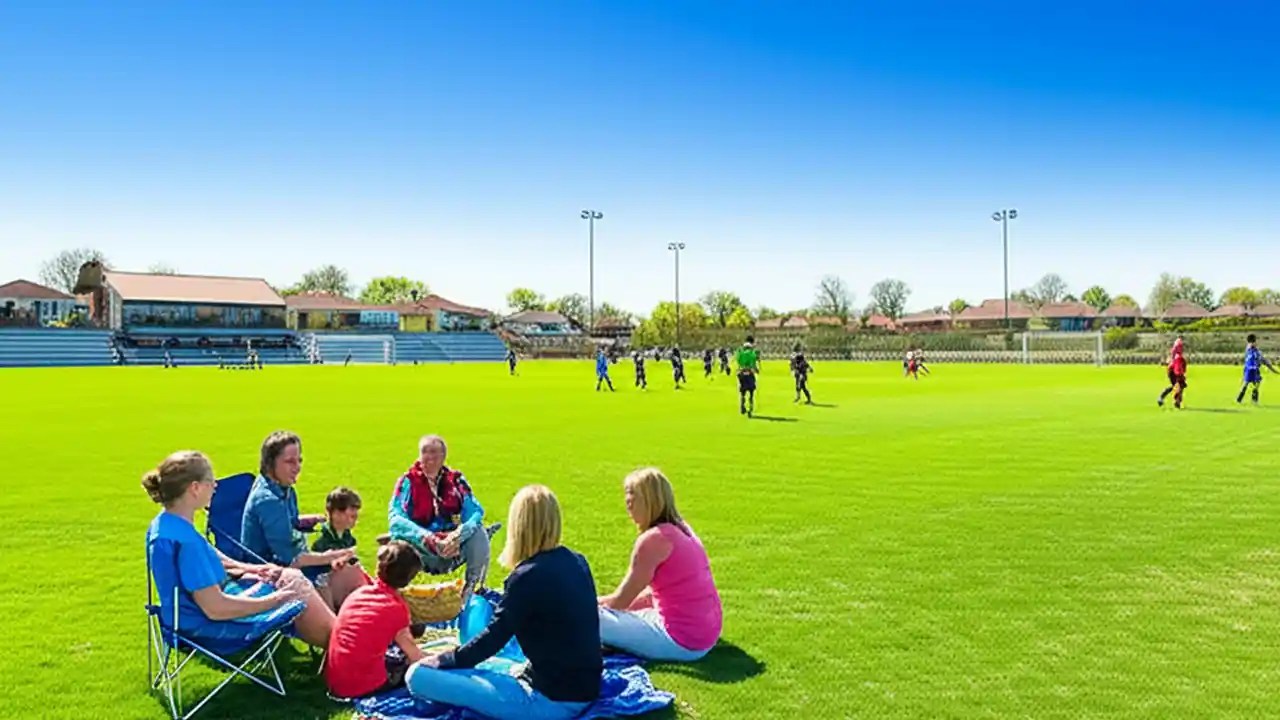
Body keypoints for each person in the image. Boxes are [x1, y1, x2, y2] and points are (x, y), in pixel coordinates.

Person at [406, 485, 601, 720]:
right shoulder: (577, 561)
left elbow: (491, 640)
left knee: (416, 675)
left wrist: (444, 659)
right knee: (494, 664)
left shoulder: (527, 577)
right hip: (585, 688)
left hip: (548, 703)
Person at [143, 450, 334, 648]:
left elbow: (211, 554)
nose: (215, 485)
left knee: (288, 577)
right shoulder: (188, 544)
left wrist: (252, 569)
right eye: (211, 480)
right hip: (208, 628)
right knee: (296, 585)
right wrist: (276, 599)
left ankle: (342, 642)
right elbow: (216, 608)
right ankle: (345, 651)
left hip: (182, 619)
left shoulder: (166, 525)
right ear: (195, 488)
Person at [598, 468, 721, 662]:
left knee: (586, 619)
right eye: (626, 494)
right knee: (596, 611)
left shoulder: (654, 540)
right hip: (705, 634)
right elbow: (652, 596)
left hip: (682, 641)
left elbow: (621, 602)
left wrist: (592, 606)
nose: (627, 502)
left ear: (651, 500)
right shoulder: (682, 529)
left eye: (633, 495)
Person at [241, 431, 368, 611]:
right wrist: (331, 555)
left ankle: (356, 620)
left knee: (350, 571)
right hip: (269, 570)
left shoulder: (283, 488)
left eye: (299, 460)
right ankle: (337, 625)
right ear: (270, 463)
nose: (297, 467)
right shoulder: (269, 500)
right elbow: (292, 558)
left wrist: (306, 521)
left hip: (284, 560)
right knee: (340, 573)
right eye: (290, 462)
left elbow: (286, 523)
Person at [387, 435, 496, 601]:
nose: (429, 458)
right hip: (421, 549)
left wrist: (459, 535)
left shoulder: (456, 482)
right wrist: (428, 539)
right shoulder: (407, 482)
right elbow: (396, 519)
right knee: (397, 544)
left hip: (452, 547)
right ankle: (396, 598)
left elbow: (475, 512)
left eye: (434, 453)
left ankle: (471, 592)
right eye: (425, 452)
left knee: (479, 532)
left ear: (443, 457)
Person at [324, 541, 426, 698]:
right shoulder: (396, 608)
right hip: (361, 687)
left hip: (336, 682)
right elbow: (415, 656)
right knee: (412, 670)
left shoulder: (359, 593)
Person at [1237, 333, 1277, 404]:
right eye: (1255, 341)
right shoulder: (1254, 350)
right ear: (1254, 341)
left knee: (1250, 383)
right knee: (1253, 383)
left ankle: (1240, 399)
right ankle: (1253, 400)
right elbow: (1260, 358)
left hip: (1250, 368)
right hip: (1253, 369)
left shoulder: (1249, 349)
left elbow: (1252, 355)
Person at [1158, 335, 1188, 409]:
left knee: (1176, 385)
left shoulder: (1175, 353)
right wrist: (1180, 375)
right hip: (1175, 371)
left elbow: (1171, 360)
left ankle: (1162, 397)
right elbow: (1177, 366)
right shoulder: (1178, 355)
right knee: (1180, 385)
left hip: (1172, 370)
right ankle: (1176, 401)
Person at [735, 335, 761, 416]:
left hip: (741, 372)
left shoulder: (740, 351)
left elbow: (737, 360)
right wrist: (756, 369)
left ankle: (742, 405)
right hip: (749, 372)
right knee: (751, 392)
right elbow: (753, 362)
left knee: (742, 391)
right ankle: (750, 408)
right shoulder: (752, 352)